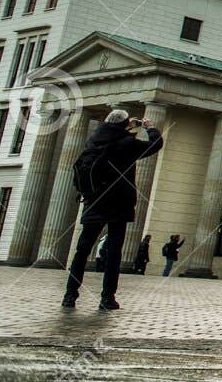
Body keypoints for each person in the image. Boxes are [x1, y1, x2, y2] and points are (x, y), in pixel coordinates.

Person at [62, 109, 164, 311]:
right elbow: (155, 144)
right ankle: (107, 298)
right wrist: (149, 127)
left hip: (94, 201)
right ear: (125, 124)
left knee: (82, 251)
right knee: (114, 253)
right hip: (119, 203)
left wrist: (126, 126)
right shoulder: (127, 144)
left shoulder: (94, 141)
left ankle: (69, 296)